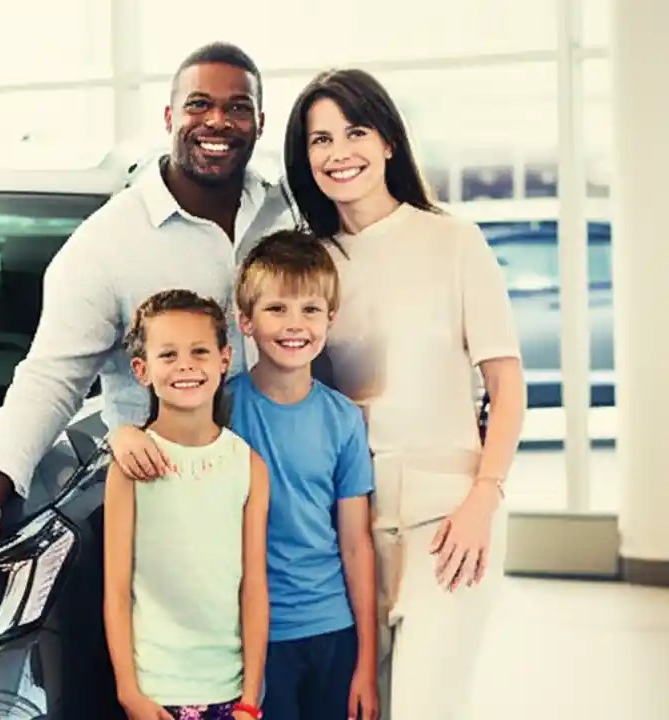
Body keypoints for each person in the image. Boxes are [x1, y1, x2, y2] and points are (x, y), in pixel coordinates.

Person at [0, 40, 298, 577]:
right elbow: (52, 377)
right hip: (169, 512)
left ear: (258, 121)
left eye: (237, 108)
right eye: (199, 104)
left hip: (290, 503)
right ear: (169, 116)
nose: (218, 121)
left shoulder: (287, 214)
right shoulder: (107, 242)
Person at [282, 68, 526, 720]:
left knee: (425, 704)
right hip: (346, 525)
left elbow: (507, 385)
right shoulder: (308, 263)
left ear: (388, 140)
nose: (339, 154)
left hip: (448, 517)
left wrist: (485, 495)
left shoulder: (453, 240)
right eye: (320, 140)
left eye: (355, 132)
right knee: (367, 706)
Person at [109, 231, 379, 720]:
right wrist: (121, 433)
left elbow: (356, 543)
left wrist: (366, 662)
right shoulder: (223, 404)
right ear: (246, 322)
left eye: (310, 310)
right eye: (277, 309)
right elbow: (168, 424)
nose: (294, 324)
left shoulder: (343, 419)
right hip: (251, 644)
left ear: (330, 319)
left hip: (330, 630)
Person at [102, 289, 270, 720]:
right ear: (141, 370)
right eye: (168, 354)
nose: (186, 366)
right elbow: (117, 589)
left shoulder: (248, 465)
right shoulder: (129, 467)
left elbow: (253, 587)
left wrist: (251, 697)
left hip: (230, 690)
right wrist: (129, 692)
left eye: (199, 351)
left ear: (224, 358)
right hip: (155, 691)